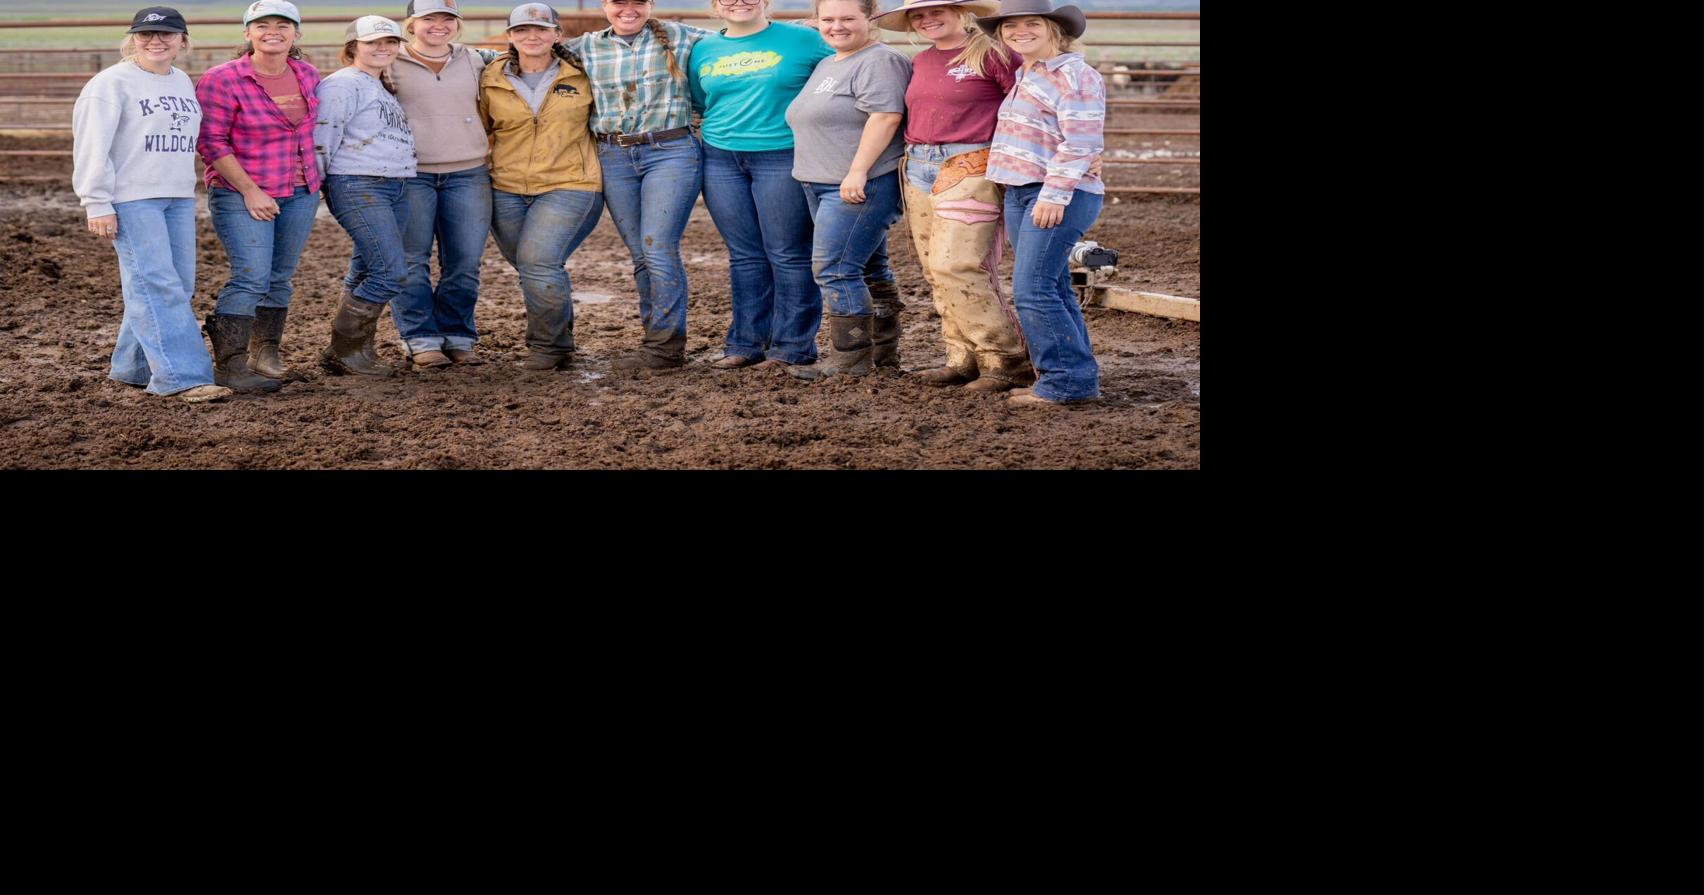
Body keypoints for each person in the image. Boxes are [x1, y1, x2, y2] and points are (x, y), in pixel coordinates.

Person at [875, 0, 1035, 390]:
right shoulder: (922, 61)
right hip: (918, 165)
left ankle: (1006, 357)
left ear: (960, 12)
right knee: (934, 268)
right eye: (919, 15)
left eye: (937, 10)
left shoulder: (993, 51)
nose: (928, 19)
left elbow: (1027, 107)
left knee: (958, 264)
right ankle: (962, 355)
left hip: (972, 162)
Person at [73, 6, 230, 404]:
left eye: (166, 35)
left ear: (183, 40)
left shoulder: (181, 81)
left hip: (176, 196)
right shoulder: (111, 84)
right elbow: (93, 146)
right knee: (156, 282)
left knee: (174, 283)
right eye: (145, 35)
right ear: (132, 39)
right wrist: (97, 203)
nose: (155, 41)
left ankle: (133, 366)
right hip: (131, 198)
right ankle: (182, 377)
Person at [689, 0, 833, 371]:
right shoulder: (703, 49)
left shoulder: (803, 40)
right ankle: (745, 343)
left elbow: (842, 72)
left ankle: (792, 347)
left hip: (781, 155)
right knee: (745, 255)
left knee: (787, 252)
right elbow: (702, 101)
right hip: (721, 157)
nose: (739, 1)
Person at [571, 0, 711, 370]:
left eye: (638, 2)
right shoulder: (584, 46)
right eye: (619, 3)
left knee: (659, 245)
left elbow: (742, 39)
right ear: (606, 6)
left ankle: (666, 347)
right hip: (614, 155)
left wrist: (807, 29)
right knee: (640, 252)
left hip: (670, 150)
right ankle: (656, 339)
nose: (628, 10)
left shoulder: (683, 37)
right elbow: (532, 48)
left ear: (650, 5)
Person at [978, 0, 1105, 407]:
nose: (1020, 31)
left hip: (1053, 193)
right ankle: (1075, 377)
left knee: (1033, 289)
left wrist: (1053, 194)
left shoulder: (1075, 75)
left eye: (1033, 23)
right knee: (1051, 285)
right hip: (1022, 190)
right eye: (1010, 26)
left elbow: (1082, 141)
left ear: (1054, 29)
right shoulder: (1025, 72)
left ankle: (1065, 382)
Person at [195, 0, 321, 393]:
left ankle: (265, 352)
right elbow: (211, 141)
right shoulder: (223, 79)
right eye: (262, 24)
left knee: (280, 277)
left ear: (296, 34)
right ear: (247, 33)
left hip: (301, 191)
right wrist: (250, 190)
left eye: (283, 25)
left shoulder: (307, 74)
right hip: (242, 192)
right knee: (251, 275)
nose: (273, 31)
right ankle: (230, 364)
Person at [783, 0, 910, 380]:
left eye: (847, 19)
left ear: (869, 19)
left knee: (835, 269)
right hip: (820, 181)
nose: (836, 26)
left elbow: (886, 116)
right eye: (828, 19)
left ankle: (851, 362)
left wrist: (858, 171)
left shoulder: (880, 60)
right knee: (868, 266)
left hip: (858, 184)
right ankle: (882, 354)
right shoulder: (831, 62)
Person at [480, 4, 604, 370]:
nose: (531, 37)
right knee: (531, 265)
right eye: (522, 30)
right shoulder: (490, 77)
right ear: (510, 36)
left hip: (570, 183)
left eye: (540, 29)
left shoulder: (584, 74)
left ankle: (548, 347)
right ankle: (559, 339)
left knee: (538, 261)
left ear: (557, 35)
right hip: (506, 185)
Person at [385, 0, 500, 368]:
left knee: (464, 260)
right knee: (411, 259)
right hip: (410, 174)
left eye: (447, 19)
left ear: (457, 24)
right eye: (428, 19)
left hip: (468, 173)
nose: (438, 26)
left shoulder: (477, 60)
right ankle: (420, 337)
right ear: (411, 24)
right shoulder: (388, 61)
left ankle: (458, 334)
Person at [315, 15, 417, 376]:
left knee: (366, 267)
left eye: (390, 42)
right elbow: (323, 136)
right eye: (373, 42)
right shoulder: (342, 85)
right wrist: (319, 182)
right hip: (358, 182)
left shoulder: (379, 84)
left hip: (394, 184)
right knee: (390, 272)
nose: (383, 48)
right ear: (353, 47)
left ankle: (352, 350)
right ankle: (344, 351)